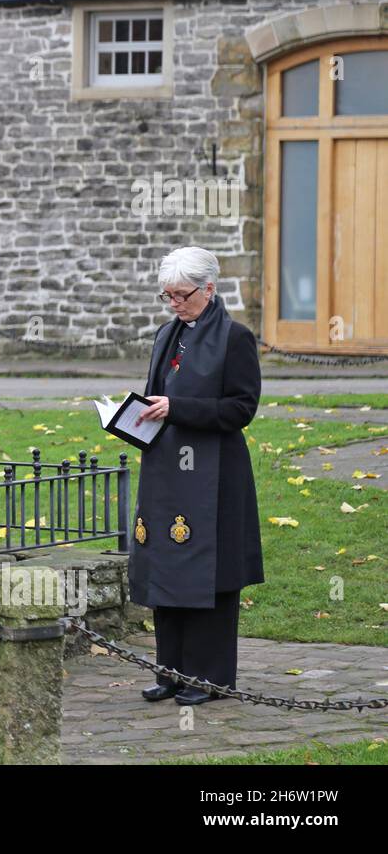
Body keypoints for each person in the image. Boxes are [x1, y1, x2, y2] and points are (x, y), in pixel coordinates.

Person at [129, 246, 263, 707]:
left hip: (214, 475)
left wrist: (179, 409)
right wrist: (133, 418)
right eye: (166, 296)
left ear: (208, 289)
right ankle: (170, 672)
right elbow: (158, 396)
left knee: (209, 575)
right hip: (167, 470)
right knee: (167, 567)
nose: (173, 304)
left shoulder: (235, 338)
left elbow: (242, 408)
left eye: (181, 295)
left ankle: (208, 678)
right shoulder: (167, 334)